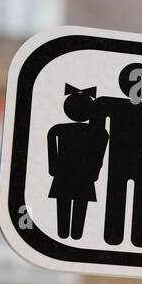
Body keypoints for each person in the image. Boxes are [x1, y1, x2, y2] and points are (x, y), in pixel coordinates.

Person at [97, 63, 142, 247]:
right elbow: (96, 132)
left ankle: (136, 238)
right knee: (119, 196)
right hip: (126, 161)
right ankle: (118, 237)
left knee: (138, 198)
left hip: (139, 162)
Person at [46, 84, 109, 240]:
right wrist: (94, 172)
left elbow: (99, 153)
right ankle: (73, 235)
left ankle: (69, 234)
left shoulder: (59, 129)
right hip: (81, 175)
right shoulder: (98, 132)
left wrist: (53, 168)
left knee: (66, 204)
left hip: (68, 174)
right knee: (75, 204)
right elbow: (99, 155)